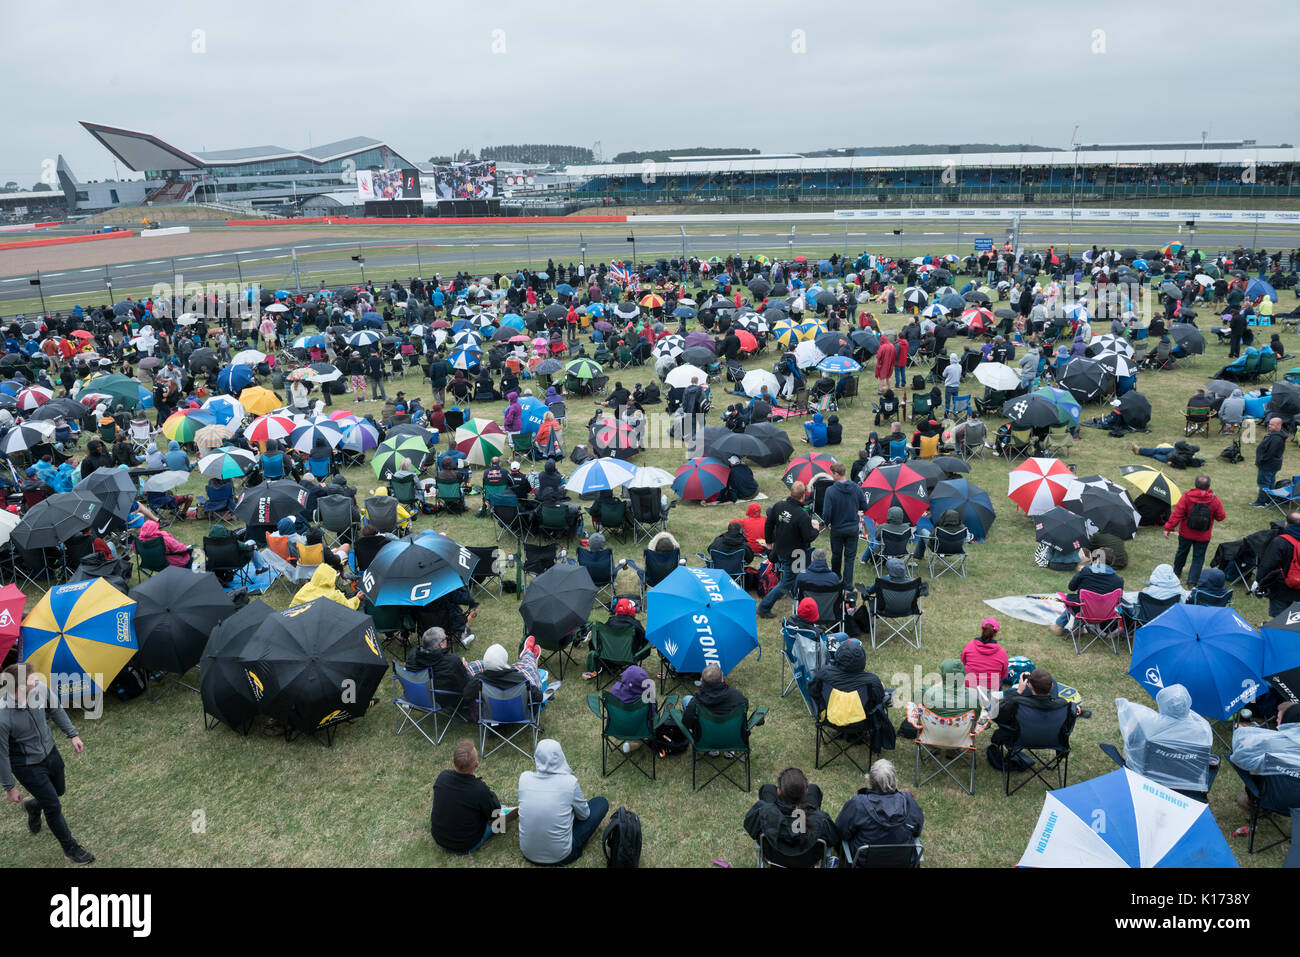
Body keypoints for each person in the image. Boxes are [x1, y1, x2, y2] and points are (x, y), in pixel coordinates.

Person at [0, 662, 94, 864]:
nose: (36, 679)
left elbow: (56, 709)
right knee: (53, 805)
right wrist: (9, 787)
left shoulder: (40, 690)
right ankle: (71, 849)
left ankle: (34, 806)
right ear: (19, 687)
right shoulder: (3, 716)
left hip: (50, 753)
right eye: (31, 678)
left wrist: (73, 735)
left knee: (58, 791)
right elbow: (2, 754)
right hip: (27, 766)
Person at [517, 739, 608, 866]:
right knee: (601, 803)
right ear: (560, 756)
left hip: (528, 854)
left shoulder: (524, 778)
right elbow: (584, 815)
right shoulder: (570, 782)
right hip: (563, 856)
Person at [1115, 685, 1213, 793]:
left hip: (1148, 784)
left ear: (1162, 704)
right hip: (1187, 788)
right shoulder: (1203, 729)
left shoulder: (1148, 726)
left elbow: (1130, 750)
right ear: (1188, 702)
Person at [430, 740, 512, 855]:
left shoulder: (442, 777)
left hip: (439, 838)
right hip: (465, 845)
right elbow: (495, 813)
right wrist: (489, 794)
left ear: (453, 761)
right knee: (500, 820)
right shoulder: (479, 789)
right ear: (476, 765)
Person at [743, 766, 839, 860]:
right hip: (807, 860)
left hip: (774, 857)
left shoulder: (764, 811)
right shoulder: (820, 819)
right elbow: (833, 839)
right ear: (806, 791)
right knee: (814, 789)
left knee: (767, 789)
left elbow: (751, 828)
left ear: (779, 791)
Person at [835, 759, 924, 859]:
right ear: (894, 780)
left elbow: (840, 831)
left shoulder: (857, 804)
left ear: (869, 780)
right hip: (901, 861)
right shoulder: (909, 802)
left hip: (864, 862)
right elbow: (917, 831)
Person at [757, 481, 821, 619]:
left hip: (780, 549)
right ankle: (764, 607)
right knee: (787, 582)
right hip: (795, 553)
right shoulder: (801, 515)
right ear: (803, 496)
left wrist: (769, 542)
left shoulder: (780, 506)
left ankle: (798, 598)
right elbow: (807, 537)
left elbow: (769, 523)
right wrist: (815, 529)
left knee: (793, 578)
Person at [990, 667, 1078, 750]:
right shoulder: (1064, 705)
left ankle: (1004, 693)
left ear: (1030, 686)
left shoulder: (1017, 703)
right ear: (1052, 686)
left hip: (1020, 739)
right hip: (1054, 741)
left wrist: (1018, 691)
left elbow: (995, 715)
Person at [1164, 474, 1226, 586]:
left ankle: (1176, 573)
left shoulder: (1187, 497)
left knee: (1181, 552)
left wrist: (1168, 527)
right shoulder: (1214, 500)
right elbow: (1221, 517)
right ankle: (1192, 581)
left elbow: (1177, 514)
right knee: (1198, 557)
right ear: (1209, 486)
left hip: (1185, 533)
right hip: (1203, 536)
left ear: (1195, 484)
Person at [1049, 548, 1124, 636]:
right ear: (1111, 563)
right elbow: (1118, 601)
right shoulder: (1119, 581)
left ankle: (1059, 626)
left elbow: (1071, 587)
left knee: (1074, 601)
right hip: (1106, 615)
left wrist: (1080, 573)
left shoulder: (1086, 572)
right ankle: (1077, 628)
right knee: (1083, 602)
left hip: (1084, 612)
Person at [820, 462, 869, 589]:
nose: (831, 476)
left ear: (836, 474)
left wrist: (826, 523)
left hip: (837, 528)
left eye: (832, 474)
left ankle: (836, 580)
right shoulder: (856, 488)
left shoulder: (830, 491)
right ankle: (847, 585)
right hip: (852, 528)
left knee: (836, 555)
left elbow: (827, 512)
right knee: (850, 558)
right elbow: (865, 506)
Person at [406, 627, 471, 710]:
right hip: (444, 700)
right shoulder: (451, 661)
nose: (447, 639)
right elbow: (466, 687)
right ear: (441, 644)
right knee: (482, 664)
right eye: (446, 638)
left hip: (419, 695)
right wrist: (464, 669)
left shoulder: (413, 655)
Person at [682, 662, 750, 741]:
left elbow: (687, 723)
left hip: (706, 739)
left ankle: (712, 747)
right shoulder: (738, 697)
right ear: (722, 679)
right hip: (732, 738)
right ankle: (729, 749)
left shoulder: (696, 702)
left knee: (686, 699)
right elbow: (742, 721)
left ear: (701, 680)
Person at [1257, 510, 1300, 616]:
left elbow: (1267, 565)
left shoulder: (1280, 542)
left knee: (1278, 623)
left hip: (1281, 588)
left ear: (1286, 523)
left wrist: (1260, 582)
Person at [961, 618, 1009, 692]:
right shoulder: (1002, 653)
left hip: (969, 689)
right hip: (990, 692)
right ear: (996, 633)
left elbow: (962, 665)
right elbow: (1004, 675)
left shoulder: (969, 646)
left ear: (981, 629)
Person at [1252, 416, 1287, 507]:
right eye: (1269, 424)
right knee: (1270, 482)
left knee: (1264, 483)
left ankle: (1262, 502)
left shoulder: (1276, 438)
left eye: (1272, 424)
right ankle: (1269, 500)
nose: (1269, 426)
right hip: (1273, 465)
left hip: (1268, 465)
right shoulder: (1275, 435)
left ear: (1279, 426)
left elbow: (1271, 453)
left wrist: (1261, 460)